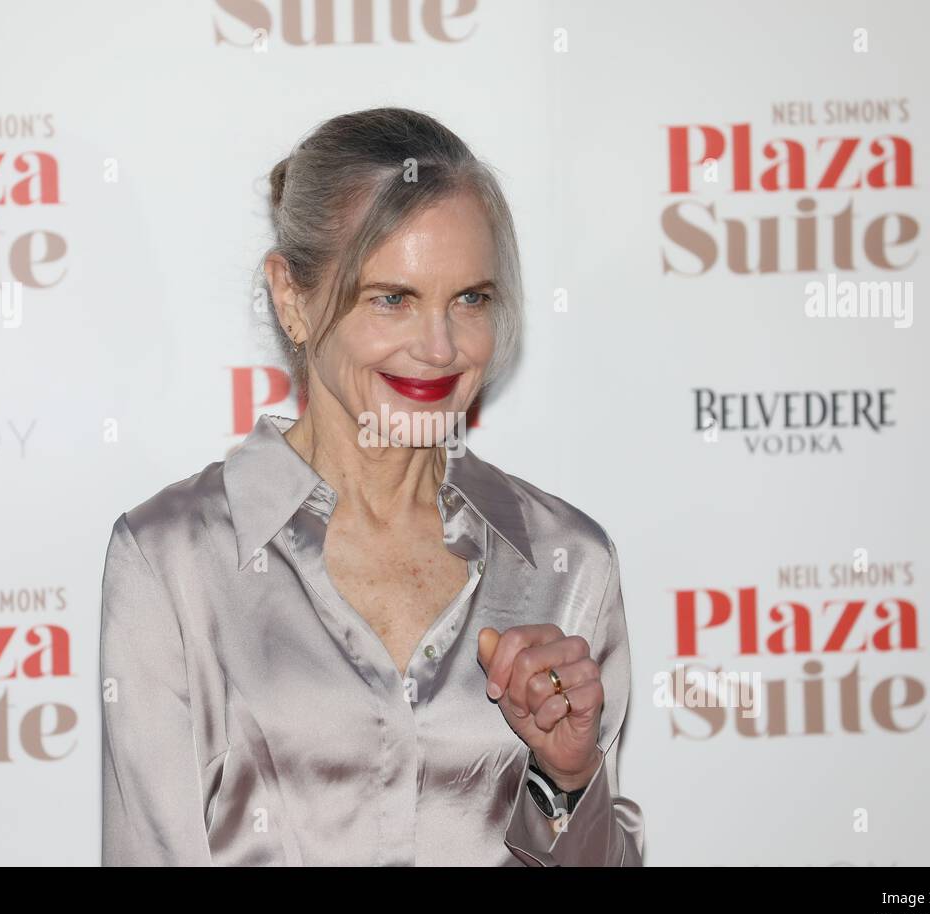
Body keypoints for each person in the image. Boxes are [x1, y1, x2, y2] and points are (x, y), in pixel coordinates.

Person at [100, 107, 644, 866]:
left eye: (471, 299)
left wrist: (567, 778)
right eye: (392, 297)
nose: (440, 346)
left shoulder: (568, 562)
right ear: (292, 298)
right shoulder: (172, 561)